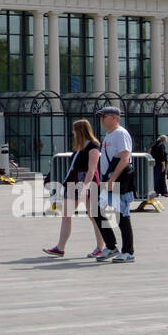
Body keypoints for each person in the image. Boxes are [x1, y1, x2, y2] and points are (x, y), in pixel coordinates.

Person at [44, 119, 105, 259]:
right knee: (66, 214)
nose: (72, 132)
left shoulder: (93, 146)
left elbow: (92, 169)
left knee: (94, 216)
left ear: (80, 130)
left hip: (87, 183)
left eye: (74, 130)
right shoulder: (79, 147)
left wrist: (86, 187)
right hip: (73, 181)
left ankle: (100, 247)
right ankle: (60, 247)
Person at [95, 106, 135, 263]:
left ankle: (128, 251)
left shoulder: (120, 133)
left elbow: (124, 158)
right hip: (109, 179)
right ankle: (111, 246)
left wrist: (112, 180)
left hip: (118, 179)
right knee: (97, 210)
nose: (101, 119)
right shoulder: (109, 135)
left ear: (113, 117)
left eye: (103, 116)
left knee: (121, 214)